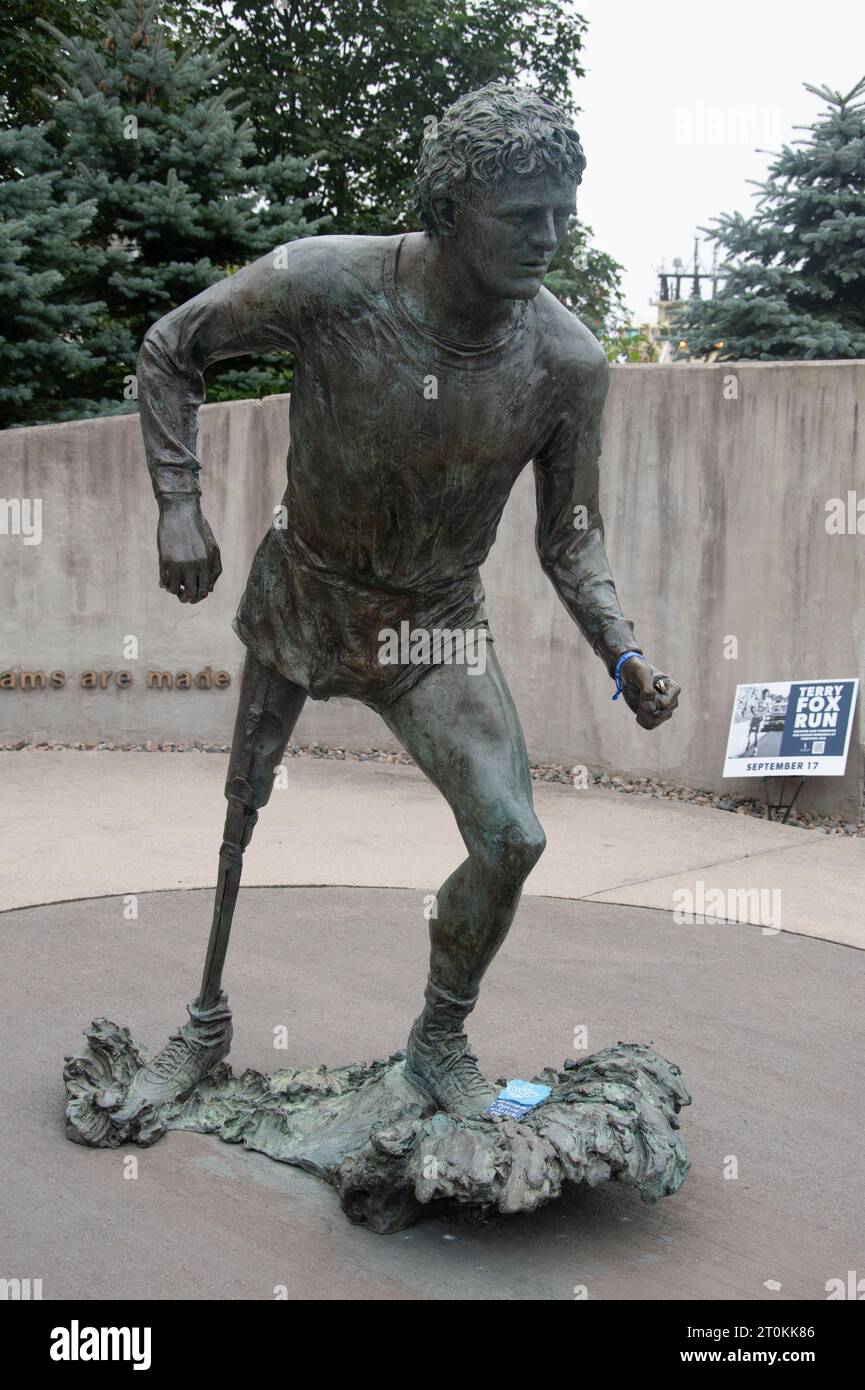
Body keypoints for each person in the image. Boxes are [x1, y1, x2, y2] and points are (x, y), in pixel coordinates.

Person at [116, 82, 680, 1124]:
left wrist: (622, 652)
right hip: (306, 593)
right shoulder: (327, 281)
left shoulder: (565, 362)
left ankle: (439, 1036)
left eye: (564, 211)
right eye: (524, 218)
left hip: (434, 627)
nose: (550, 238)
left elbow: (570, 538)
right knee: (242, 813)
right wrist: (178, 505)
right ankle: (201, 1020)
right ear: (448, 209)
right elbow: (170, 348)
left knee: (511, 838)